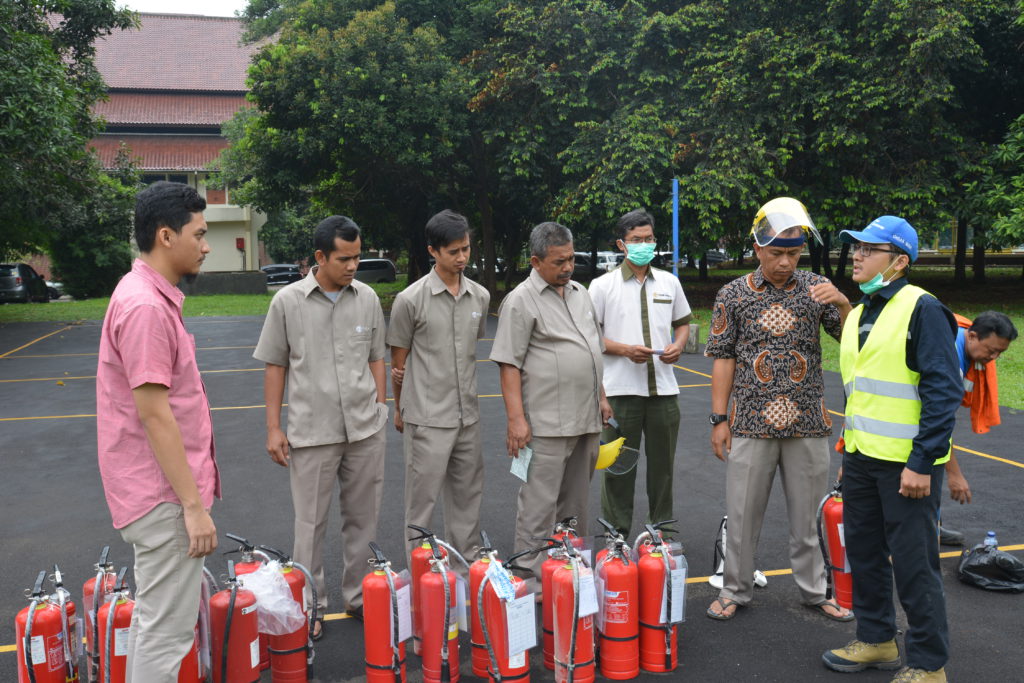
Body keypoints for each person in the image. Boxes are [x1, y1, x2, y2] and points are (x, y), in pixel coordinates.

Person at [822, 216, 961, 683]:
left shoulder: (923, 309)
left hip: (907, 465)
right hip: (862, 458)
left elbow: (944, 392)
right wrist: (850, 453)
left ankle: (928, 663)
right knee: (863, 553)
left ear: (899, 261)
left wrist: (922, 462)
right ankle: (878, 640)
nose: (856, 256)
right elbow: (861, 391)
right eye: (855, 248)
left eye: (869, 249)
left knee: (915, 565)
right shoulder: (861, 311)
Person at [705, 197, 853, 622]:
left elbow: (850, 342)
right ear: (757, 249)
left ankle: (813, 591)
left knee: (807, 518)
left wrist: (842, 304)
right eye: (776, 253)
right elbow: (722, 356)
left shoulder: (817, 287)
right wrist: (719, 419)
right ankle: (734, 589)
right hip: (751, 421)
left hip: (807, 420)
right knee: (743, 513)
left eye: (793, 253)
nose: (785, 262)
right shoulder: (732, 294)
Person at [96, 181, 220, 682]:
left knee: (159, 625)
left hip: (160, 493)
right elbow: (155, 415)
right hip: (166, 498)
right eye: (200, 234)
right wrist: (193, 508)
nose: (207, 245)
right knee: (165, 634)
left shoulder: (147, 295)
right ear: (166, 236)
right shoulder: (145, 307)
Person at [254, 216, 388, 635]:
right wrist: (274, 427)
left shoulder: (366, 298)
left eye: (358, 257)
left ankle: (360, 596)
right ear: (319, 257)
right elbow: (275, 365)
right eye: (344, 258)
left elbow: (376, 357)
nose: (353, 266)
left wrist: (380, 407)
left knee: (363, 520)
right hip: (313, 433)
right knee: (309, 525)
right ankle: (309, 605)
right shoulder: (288, 302)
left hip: (364, 430)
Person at [490, 222, 613, 590]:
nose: (568, 267)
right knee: (539, 502)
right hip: (544, 423)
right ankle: (530, 573)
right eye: (559, 261)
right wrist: (516, 421)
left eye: (571, 258)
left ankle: (569, 566)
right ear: (536, 260)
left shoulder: (579, 292)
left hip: (586, 416)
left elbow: (592, 350)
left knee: (576, 502)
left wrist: (602, 396)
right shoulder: (520, 301)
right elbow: (509, 364)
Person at [387, 210, 491, 570]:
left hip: (468, 416)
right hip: (427, 418)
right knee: (422, 503)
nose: (462, 258)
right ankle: (422, 576)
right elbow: (398, 364)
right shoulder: (410, 300)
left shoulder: (479, 297)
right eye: (454, 251)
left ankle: (467, 571)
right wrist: (400, 410)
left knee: (467, 498)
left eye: (466, 249)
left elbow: (468, 350)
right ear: (433, 251)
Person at [588, 209, 691, 537]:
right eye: (636, 240)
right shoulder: (602, 286)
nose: (644, 245)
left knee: (663, 469)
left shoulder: (670, 282)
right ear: (622, 244)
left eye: (648, 239)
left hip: (664, 392)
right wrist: (624, 350)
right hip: (619, 394)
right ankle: (616, 533)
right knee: (617, 467)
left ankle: (661, 532)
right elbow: (590, 337)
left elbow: (683, 323)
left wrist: (679, 344)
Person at [936, 310, 1017, 544]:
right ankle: (922, 532)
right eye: (991, 351)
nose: (993, 358)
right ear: (972, 336)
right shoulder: (948, 357)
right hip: (902, 427)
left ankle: (932, 525)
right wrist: (955, 475)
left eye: (999, 353)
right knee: (921, 473)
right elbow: (936, 424)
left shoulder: (964, 346)